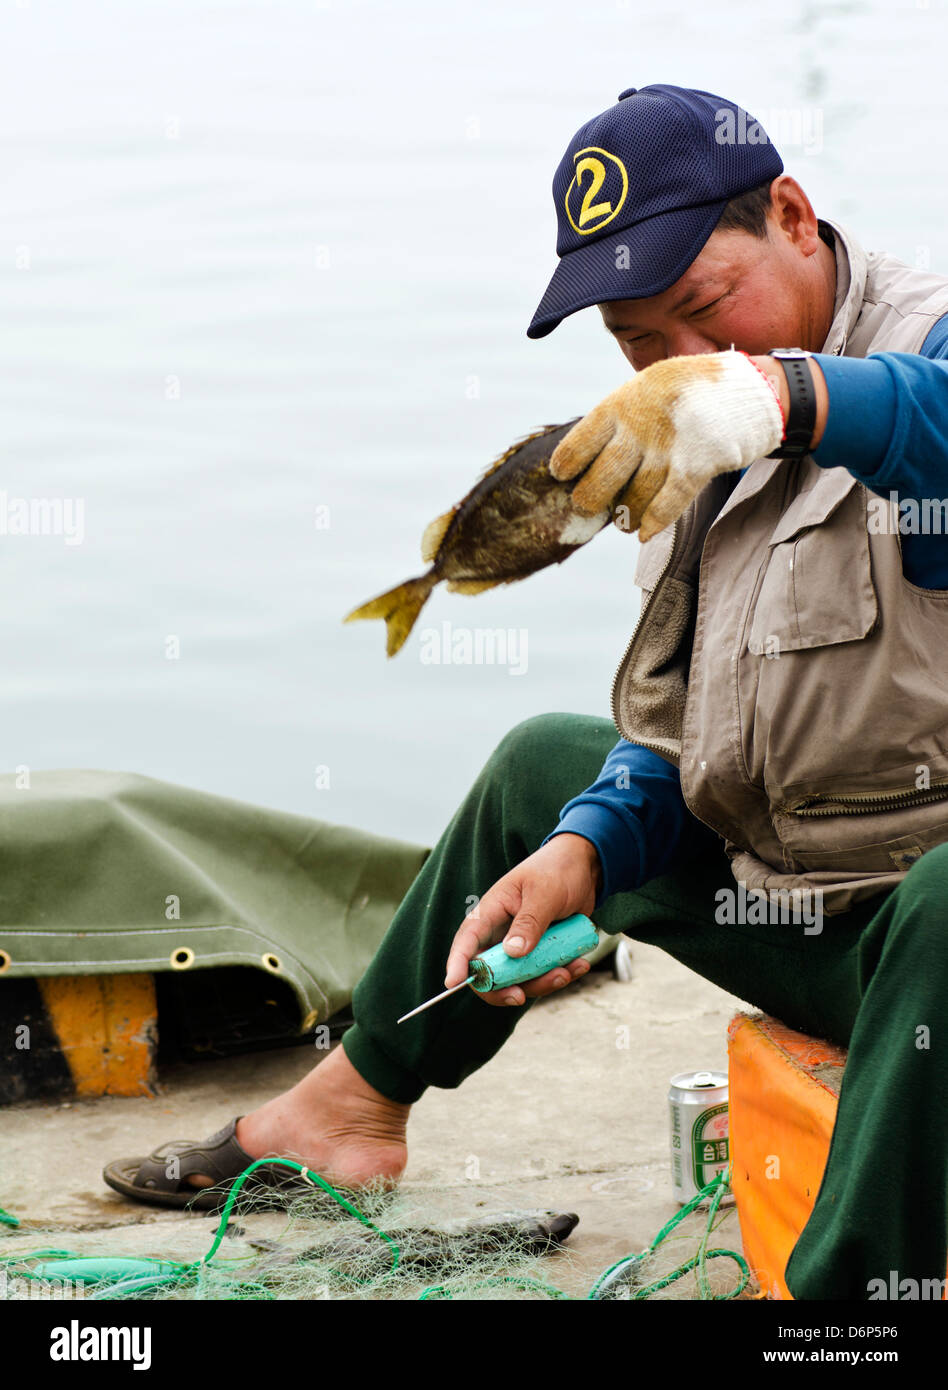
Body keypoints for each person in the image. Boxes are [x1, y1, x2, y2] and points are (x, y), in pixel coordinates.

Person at [104, 84, 948, 1301]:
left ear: (794, 215)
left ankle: (849, 1313)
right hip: (811, 919)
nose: (679, 366)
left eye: (705, 310)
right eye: (640, 344)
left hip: (930, 926)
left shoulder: (906, 349)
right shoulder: (674, 433)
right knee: (543, 767)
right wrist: (595, 845)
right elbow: (684, 732)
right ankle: (346, 1112)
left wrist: (786, 400)